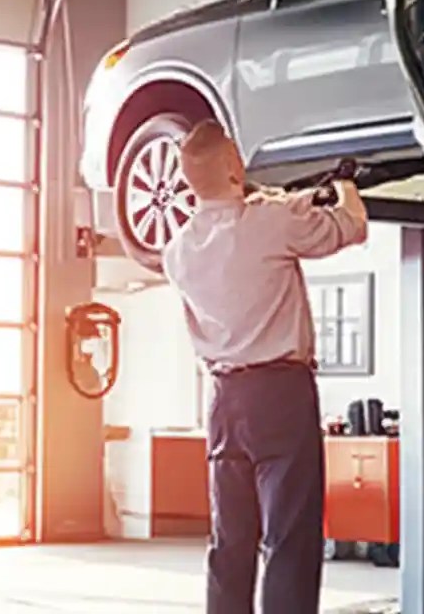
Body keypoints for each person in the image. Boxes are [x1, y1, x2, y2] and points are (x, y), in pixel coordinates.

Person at [162, 120, 368, 614]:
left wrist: (278, 202)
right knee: (289, 539)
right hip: (280, 396)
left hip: (223, 403)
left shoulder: (177, 251)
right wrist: (346, 183)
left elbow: (258, 218)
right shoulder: (268, 222)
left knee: (230, 542)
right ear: (235, 166)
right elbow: (352, 225)